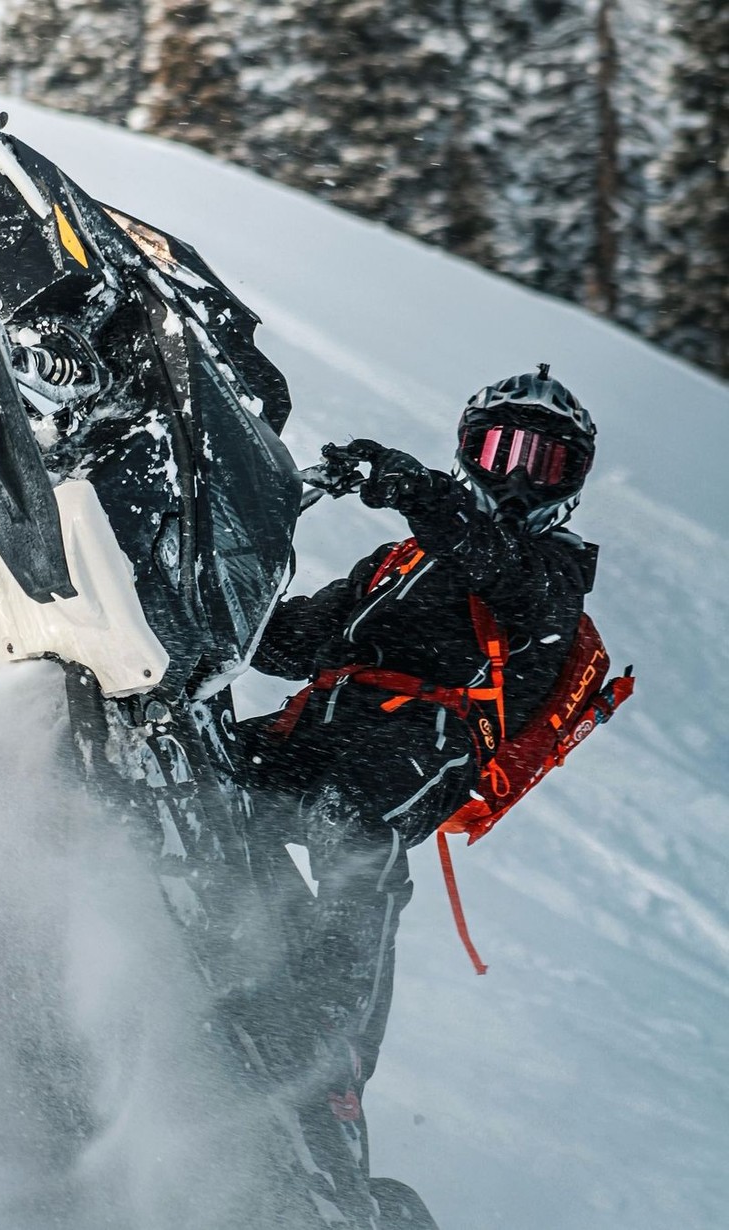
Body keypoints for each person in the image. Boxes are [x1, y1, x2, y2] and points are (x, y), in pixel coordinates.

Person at [241, 366, 600, 1149]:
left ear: (571, 480)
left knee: (355, 826)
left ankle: (326, 1055)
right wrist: (220, 557)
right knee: (205, 768)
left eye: (541, 462)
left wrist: (413, 487)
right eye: (501, 450)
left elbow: (493, 560)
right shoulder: (396, 563)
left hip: (425, 745)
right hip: (324, 722)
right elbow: (286, 642)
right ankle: (230, 934)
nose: (516, 477)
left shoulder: (553, 577)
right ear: (471, 450)